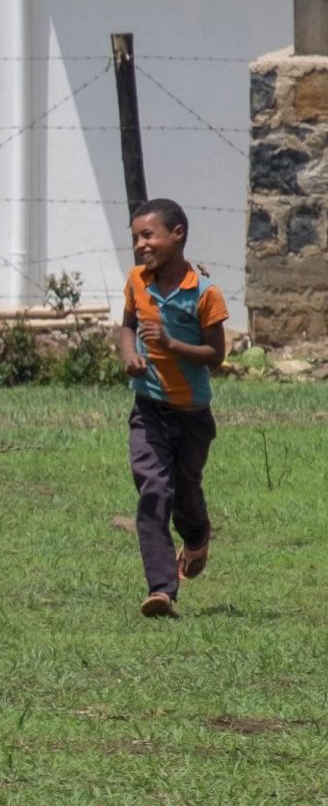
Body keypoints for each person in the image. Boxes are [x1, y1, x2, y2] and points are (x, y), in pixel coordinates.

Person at [114, 198, 226, 619]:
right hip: (149, 410)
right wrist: (130, 354)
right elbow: (127, 326)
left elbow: (215, 355)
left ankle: (196, 536)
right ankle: (161, 589)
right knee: (154, 491)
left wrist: (170, 344)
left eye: (148, 235)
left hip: (192, 415)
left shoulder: (204, 293)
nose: (140, 245)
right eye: (135, 238)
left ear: (177, 234)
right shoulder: (136, 281)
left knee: (185, 492)